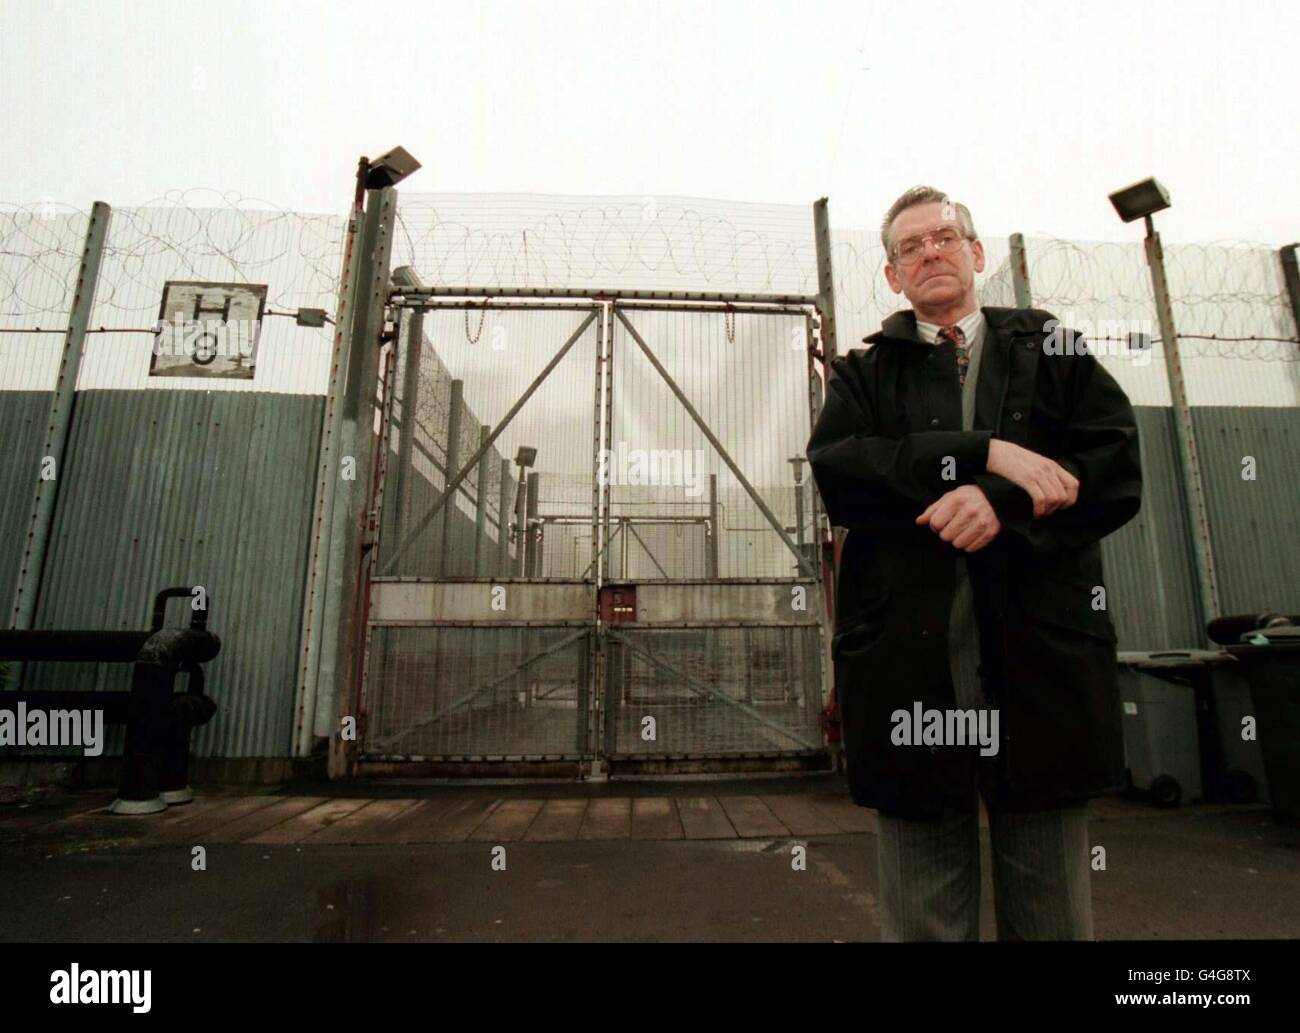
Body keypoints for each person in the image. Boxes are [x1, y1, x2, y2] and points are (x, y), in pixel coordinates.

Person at [805, 186, 1142, 941]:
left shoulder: (1050, 348)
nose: (931, 252)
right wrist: (983, 453)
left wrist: (1003, 503)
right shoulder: (864, 373)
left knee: (1051, 910)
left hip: (1038, 664)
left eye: (946, 237)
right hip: (913, 669)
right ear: (892, 276)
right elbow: (843, 472)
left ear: (977, 253)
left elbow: (1113, 463)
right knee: (924, 912)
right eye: (910, 246)